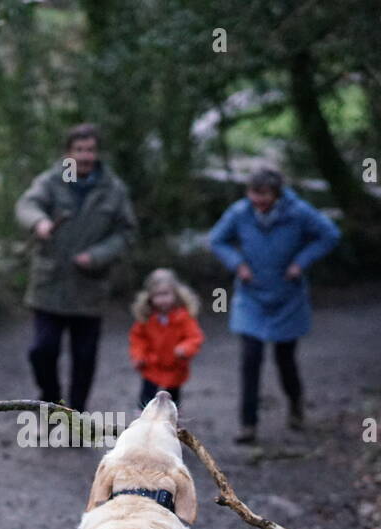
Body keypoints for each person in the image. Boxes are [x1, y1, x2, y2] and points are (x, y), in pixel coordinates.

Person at [207, 167, 340, 443]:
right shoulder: (239, 213)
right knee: (250, 359)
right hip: (251, 297)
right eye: (253, 193)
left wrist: (300, 263)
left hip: (287, 296)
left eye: (264, 194)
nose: (258, 199)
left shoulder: (299, 212)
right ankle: (248, 424)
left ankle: (295, 406)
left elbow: (330, 235)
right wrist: (237, 264)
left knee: (285, 359)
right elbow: (217, 240)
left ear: (276, 194)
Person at [15, 123, 138, 411]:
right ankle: (51, 400)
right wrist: (39, 222)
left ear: (97, 153)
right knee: (42, 350)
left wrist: (98, 255)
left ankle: (76, 415)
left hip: (89, 286)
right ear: (68, 152)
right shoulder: (52, 181)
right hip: (50, 285)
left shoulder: (113, 189)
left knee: (84, 358)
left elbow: (127, 233)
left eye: (90, 150)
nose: (84, 156)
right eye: (79, 150)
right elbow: (26, 205)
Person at [129, 268, 204, 409]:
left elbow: (194, 337)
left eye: (166, 294)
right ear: (150, 296)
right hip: (151, 366)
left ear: (175, 294)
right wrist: (138, 356)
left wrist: (185, 349)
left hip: (174, 368)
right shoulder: (146, 319)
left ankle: (170, 427)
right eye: (157, 295)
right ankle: (144, 427)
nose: (162, 299)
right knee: (146, 401)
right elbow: (138, 340)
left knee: (172, 404)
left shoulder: (184, 317)